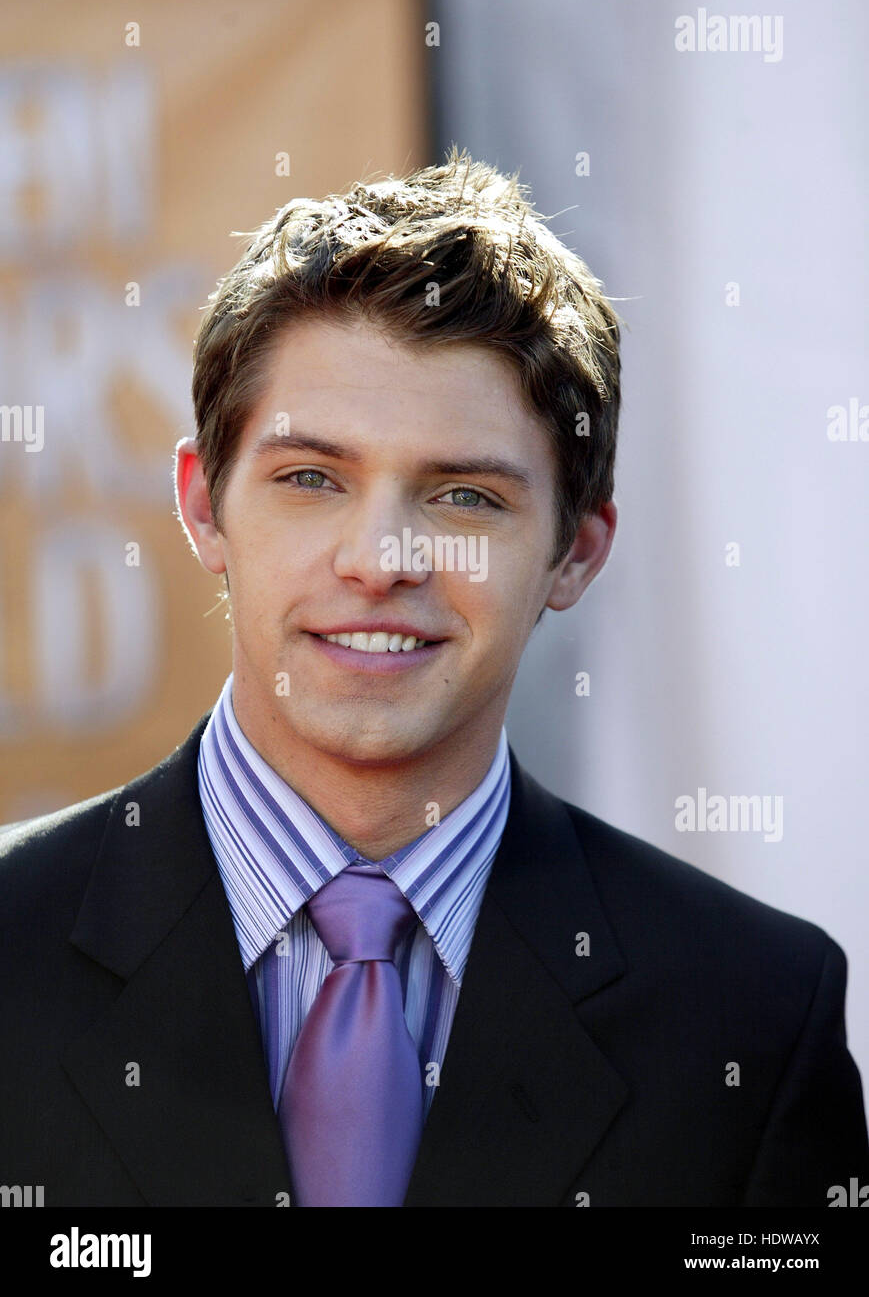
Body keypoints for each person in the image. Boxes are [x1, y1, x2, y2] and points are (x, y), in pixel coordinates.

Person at [1, 148, 867, 1208]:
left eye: (463, 497)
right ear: (201, 503)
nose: (378, 560)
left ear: (576, 551)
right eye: (310, 478)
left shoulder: (751, 1014)